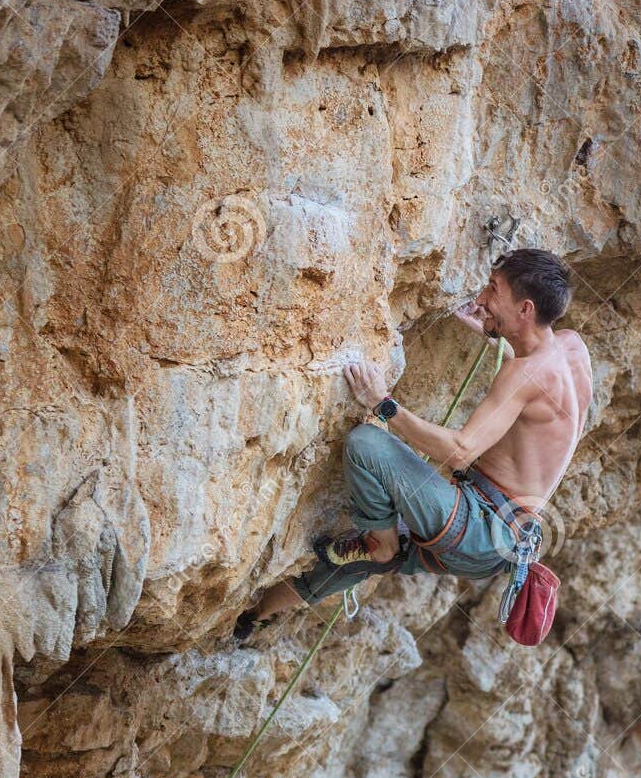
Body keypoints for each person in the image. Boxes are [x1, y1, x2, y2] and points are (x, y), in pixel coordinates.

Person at [235, 249, 592, 638]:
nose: (483, 298)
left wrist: (383, 404)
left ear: (525, 309)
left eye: (493, 290)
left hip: (478, 528)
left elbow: (460, 451)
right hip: (505, 541)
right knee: (364, 558)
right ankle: (253, 617)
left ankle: (381, 544)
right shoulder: (572, 349)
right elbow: (537, 383)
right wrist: (496, 333)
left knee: (367, 444)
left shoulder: (526, 374)